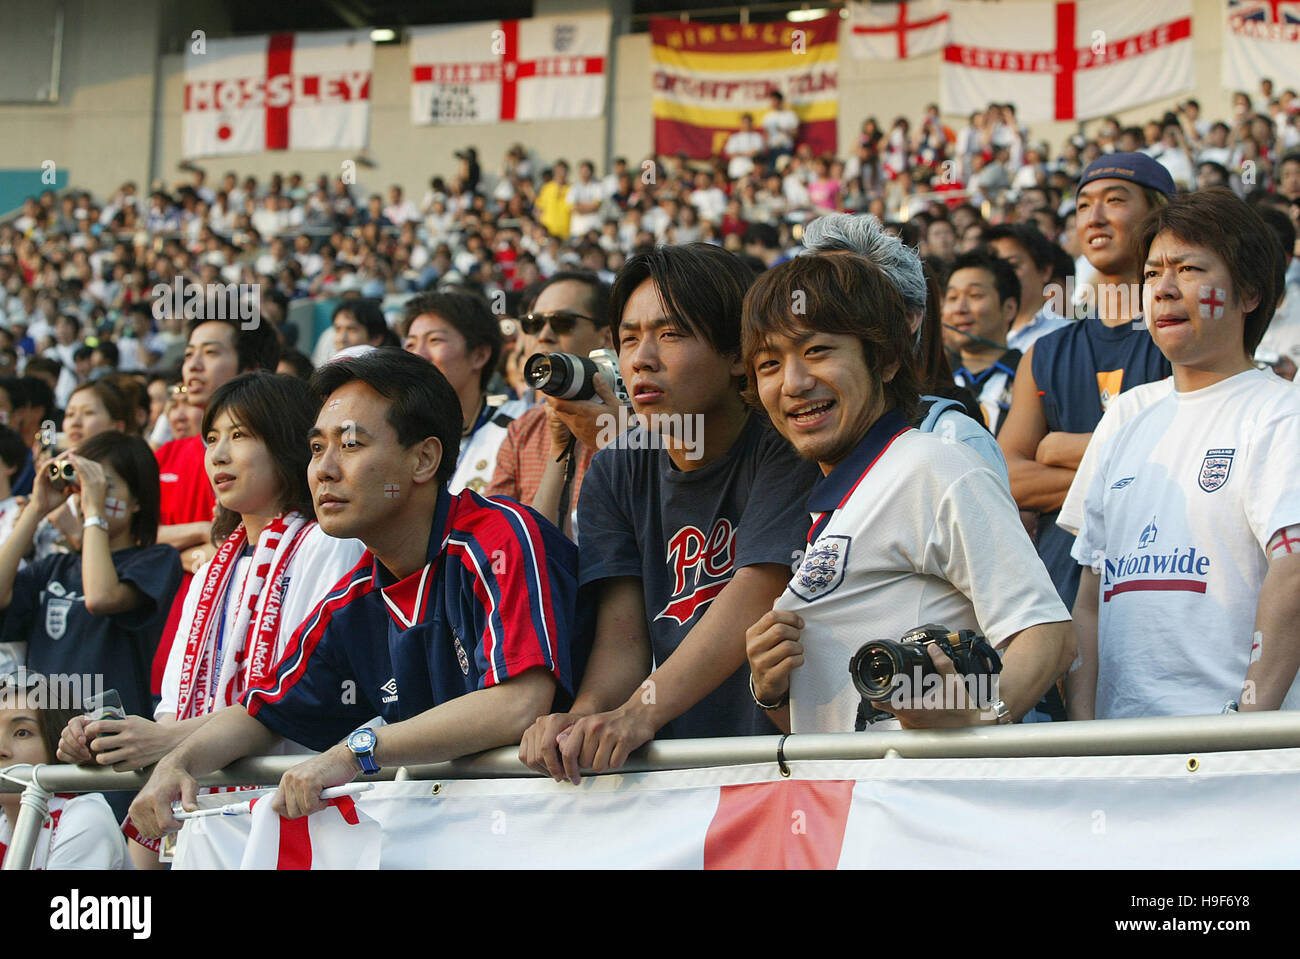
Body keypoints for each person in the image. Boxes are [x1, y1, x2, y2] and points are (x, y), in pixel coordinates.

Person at [128, 350, 590, 833]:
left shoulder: (502, 538)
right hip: (474, 830)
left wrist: (356, 752)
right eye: (315, 448)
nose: (323, 470)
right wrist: (176, 764)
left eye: (349, 445)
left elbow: (518, 703)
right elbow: (264, 712)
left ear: (424, 458)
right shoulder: (353, 599)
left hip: (575, 822)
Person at [519, 244, 821, 784]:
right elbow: (623, 638)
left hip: (785, 760)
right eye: (629, 338)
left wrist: (639, 713)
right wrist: (586, 716)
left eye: (671, 334)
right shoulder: (616, 466)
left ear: (737, 354)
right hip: (678, 771)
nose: (642, 358)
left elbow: (758, 587)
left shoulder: (783, 443)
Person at [739, 253, 1074, 734]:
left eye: (817, 351)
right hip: (851, 803)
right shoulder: (837, 499)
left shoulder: (934, 465)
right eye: (769, 363)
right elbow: (840, 719)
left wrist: (979, 716)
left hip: (927, 803)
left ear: (887, 359)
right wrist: (768, 686)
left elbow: (1050, 635)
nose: (793, 383)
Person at [58, 372, 364, 868]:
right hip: (206, 821)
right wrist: (118, 738)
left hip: (297, 816)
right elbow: (172, 710)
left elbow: (297, 699)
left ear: (287, 443)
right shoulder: (209, 572)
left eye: (240, 435)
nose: (218, 455)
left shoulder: (330, 545)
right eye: (212, 439)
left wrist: (164, 742)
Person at [1068, 188, 1300, 720]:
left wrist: (1247, 727)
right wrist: (1083, 738)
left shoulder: (1282, 415)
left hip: (1231, 762)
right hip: (1123, 759)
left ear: (1249, 295)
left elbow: (1294, 574)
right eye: (1151, 274)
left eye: (1189, 269)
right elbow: (1089, 596)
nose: (1164, 290)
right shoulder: (1125, 415)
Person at [998, 153, 1174, 610]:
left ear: (1159, 213)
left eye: (1115, 200)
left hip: (1167, 574)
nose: (1095, 217)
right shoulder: (1044, 353)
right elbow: (1009, 478)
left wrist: (1056, 450)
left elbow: (1187, 462)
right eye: (1082, 205)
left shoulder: (1188, 341)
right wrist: (1126, 465)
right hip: (1059, 585)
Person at [799, 214, 1007, 482]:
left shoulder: (951, 437)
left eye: (846, 296)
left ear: (907, 318)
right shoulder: (788, 438)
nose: (824, 317)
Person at [0, 431, 181, 728]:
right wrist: (37, 507)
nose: (88, 497)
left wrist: (94, 513)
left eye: (105, 486)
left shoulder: (157, 560)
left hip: (112, 735)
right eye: (84, 487)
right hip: (47, 736)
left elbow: (100, 597)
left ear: (137, 501)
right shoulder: (54, 567)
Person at [487, 271, 613, 533]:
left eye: (562, 322)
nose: (543, 335)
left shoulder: (649, 421)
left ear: (607, 337)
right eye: (533, 323)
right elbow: (495, 539)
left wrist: (619, 440)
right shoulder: (522, 430)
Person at [401, 291, 529, 494]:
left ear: (479, 355)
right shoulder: (395, 434)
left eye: (435, 340)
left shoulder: (520, 424)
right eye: (410, 344)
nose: (418, 355)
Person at [0, 672, 129, 869]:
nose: (1, 748)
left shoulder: (85, 817)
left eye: (22, 733)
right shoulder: (3, 825)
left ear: (57, 744)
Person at [944, 250, 1023, 436]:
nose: (959, 309)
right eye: (952, 298)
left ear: (1009, 308)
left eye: (975, 295)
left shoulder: (1032, 376)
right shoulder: (935, 378)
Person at [985, 223, 1072, 351]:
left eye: (1013, 265)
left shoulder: (1065, 335)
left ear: (1044, 271)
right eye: (993, 267)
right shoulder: (979, 335)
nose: (1001, 274)